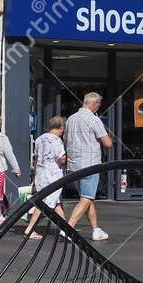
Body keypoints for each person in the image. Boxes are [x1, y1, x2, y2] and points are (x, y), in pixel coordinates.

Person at [64, 92, 114, 241]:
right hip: (90, 163)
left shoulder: (70, 119)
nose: (99, 107)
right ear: (95, 104)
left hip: (74, 164)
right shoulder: (94, 120)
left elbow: (66, 141)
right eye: (99, 104)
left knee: (86, 197)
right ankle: (68, 228)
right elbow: (108, 143)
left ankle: (96, 229)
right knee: (86, 198)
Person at [24, 115, 68, 239]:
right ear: (61, 127)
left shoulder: (39, 139)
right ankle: (30, 228)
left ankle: (65, 229)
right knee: (44, 202)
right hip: (52, 176)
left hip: (41, 174)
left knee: (57, 202)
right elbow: (61, 158)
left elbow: (36, 158)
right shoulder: (56, 140)